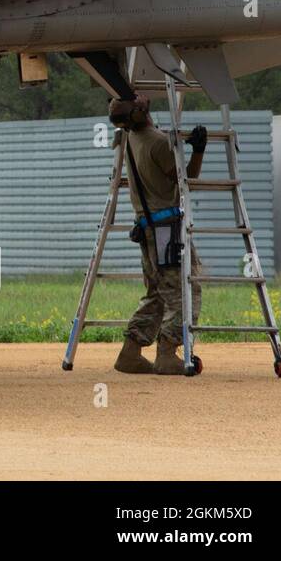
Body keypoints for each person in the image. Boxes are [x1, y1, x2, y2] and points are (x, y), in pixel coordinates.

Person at [109, 92, 208, 375]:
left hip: (148, 227)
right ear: (136, 115)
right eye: (136, 103)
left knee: (156, 292)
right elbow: (188, 177)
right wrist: (198, 149)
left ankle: (131, 351)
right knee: (184, 290)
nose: (141, 100)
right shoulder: (157, 142)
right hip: (167, 229)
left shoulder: (131, 140)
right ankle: (168, 352)